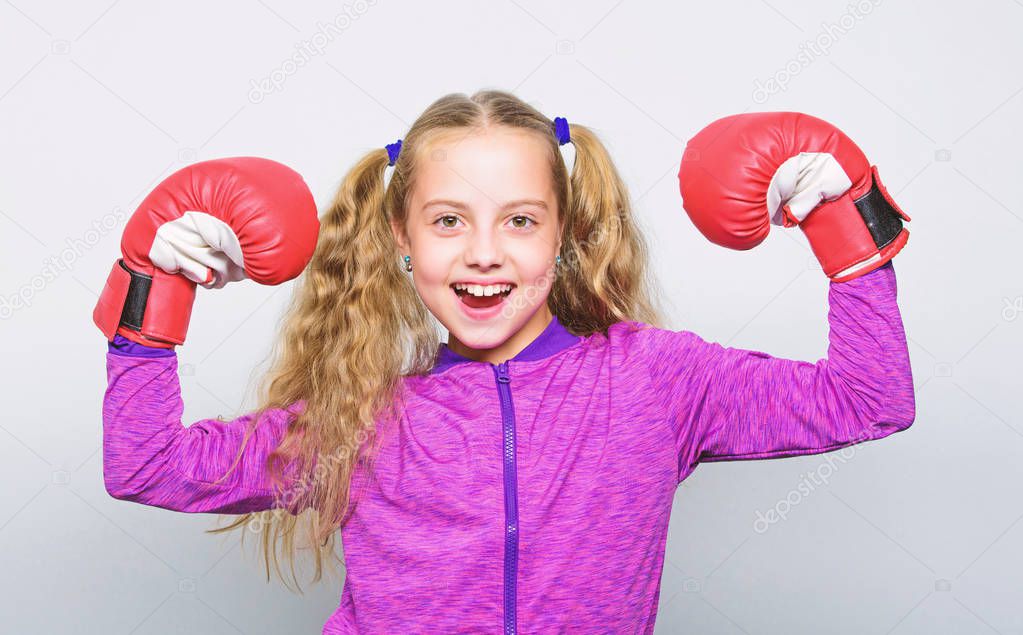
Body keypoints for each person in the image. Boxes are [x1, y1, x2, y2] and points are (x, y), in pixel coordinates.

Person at [99, 90, 916, 634]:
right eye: (448, 220)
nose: (484, 253)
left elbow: (867, 398)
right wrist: (151, 293)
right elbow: (147, 465)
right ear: (400, 240)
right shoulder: (359, 413)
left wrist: (851, 225)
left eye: (520, 220)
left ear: (564, 235)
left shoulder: (656, 380)